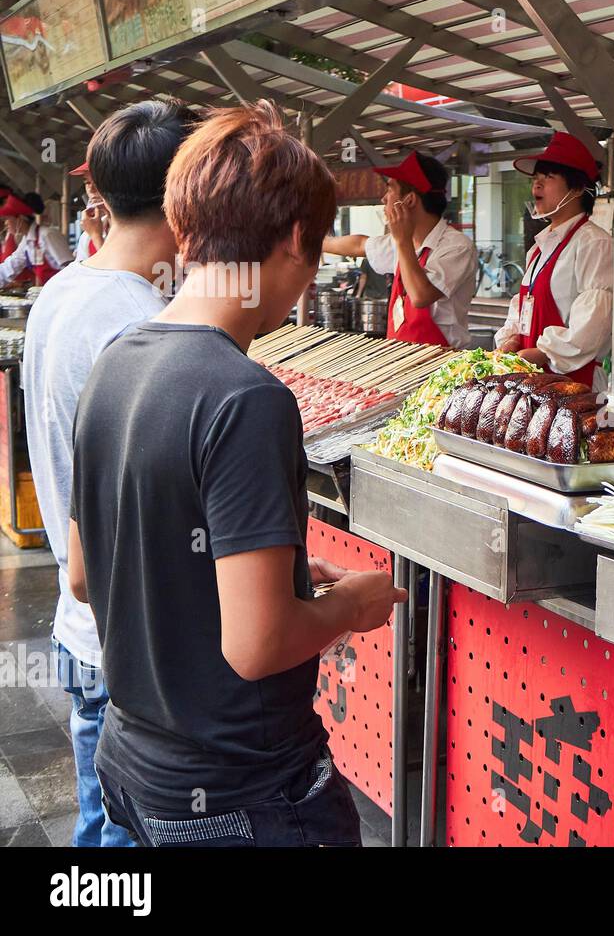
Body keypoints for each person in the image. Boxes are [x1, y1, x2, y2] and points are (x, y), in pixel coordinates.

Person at [66, 101, 406, 847]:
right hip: (238, 795)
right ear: (294, 240)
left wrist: (270, 577)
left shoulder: (116, 363)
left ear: (185, 229)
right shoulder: (246, 396)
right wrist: (350, 604)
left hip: (133, 765)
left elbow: (87, 577)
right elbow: (255, 645)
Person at [23, 100, 200, 847]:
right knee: (124, 845)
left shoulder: (64, 290)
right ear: (185, 193)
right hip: (132, 648)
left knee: (101, 838)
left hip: (85, 638)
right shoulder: (139, 325)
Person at [495, 132, 613, 390]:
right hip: (532, 381)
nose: (536, 186)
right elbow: (522, 308)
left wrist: (542, 353)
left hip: (572, 386)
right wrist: (512, 339)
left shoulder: (593, 242)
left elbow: (591, 328)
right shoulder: (539, 249)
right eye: (536, 179)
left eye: (548, 178)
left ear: (578, 188)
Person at [322, 150, 476, 347]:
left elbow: (421, 296)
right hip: (401, 357)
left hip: (443, 363)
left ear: (409, 200)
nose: (383, 199)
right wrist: (310, 240)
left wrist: (402, 241)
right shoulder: (401, 242)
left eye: (389, 189)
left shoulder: (456, 246)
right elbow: (360, 244)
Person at [0, 190, 72, 287]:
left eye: (8, 219)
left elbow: (70, 268)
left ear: (20, 219)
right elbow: (10, 266)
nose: (6, 223)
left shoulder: (47, 235)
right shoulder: (27, 242)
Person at [71, 161, 108, 261]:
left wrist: (96, 236)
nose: (91, 189)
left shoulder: (135, 228)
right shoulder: (87, 235)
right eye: (87, 182)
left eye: (97, 182)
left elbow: (120, 274)